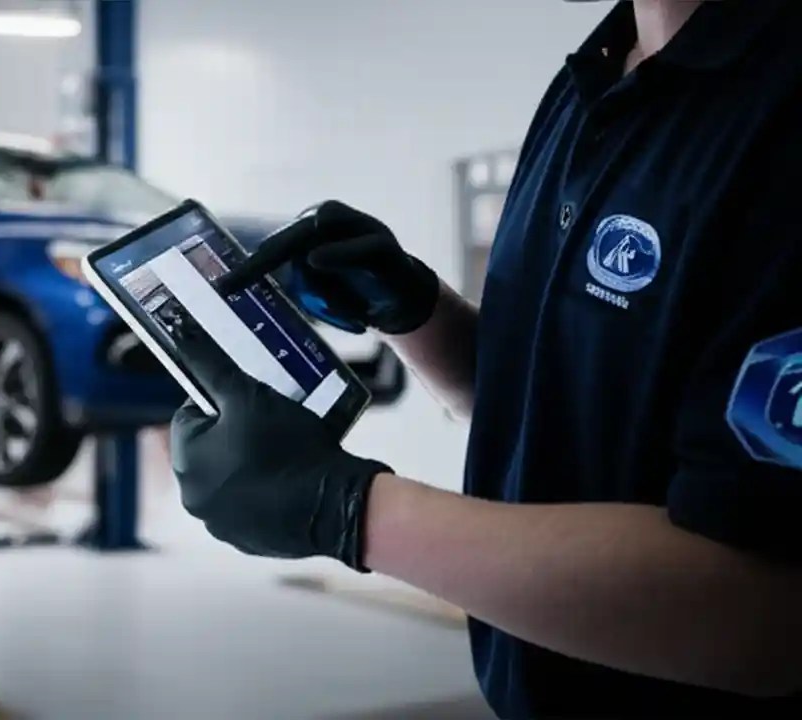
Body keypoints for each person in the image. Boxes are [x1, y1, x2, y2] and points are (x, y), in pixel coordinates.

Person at [168, 1, 802, 717]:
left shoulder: (781, 111)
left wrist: (348, 511)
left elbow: (758, 609)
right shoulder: (592, 78)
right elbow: (556, 409)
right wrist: (414, 312)